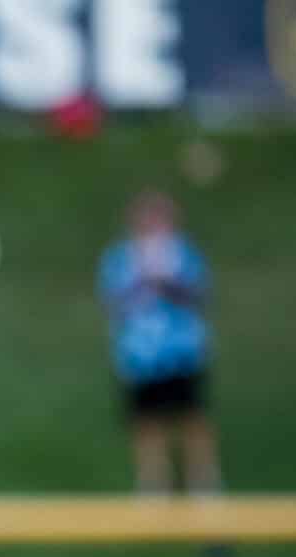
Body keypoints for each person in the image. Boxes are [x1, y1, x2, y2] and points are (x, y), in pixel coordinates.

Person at [98, 191, 221, 494]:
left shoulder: (184, 254)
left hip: (181, 350)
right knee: (146, 423)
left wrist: (165, 282)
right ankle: (154, 483)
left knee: (192, 418)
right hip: (140, 354)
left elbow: (199, 295)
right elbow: (114, 301)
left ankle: (204, 481)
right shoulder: (120, 258)